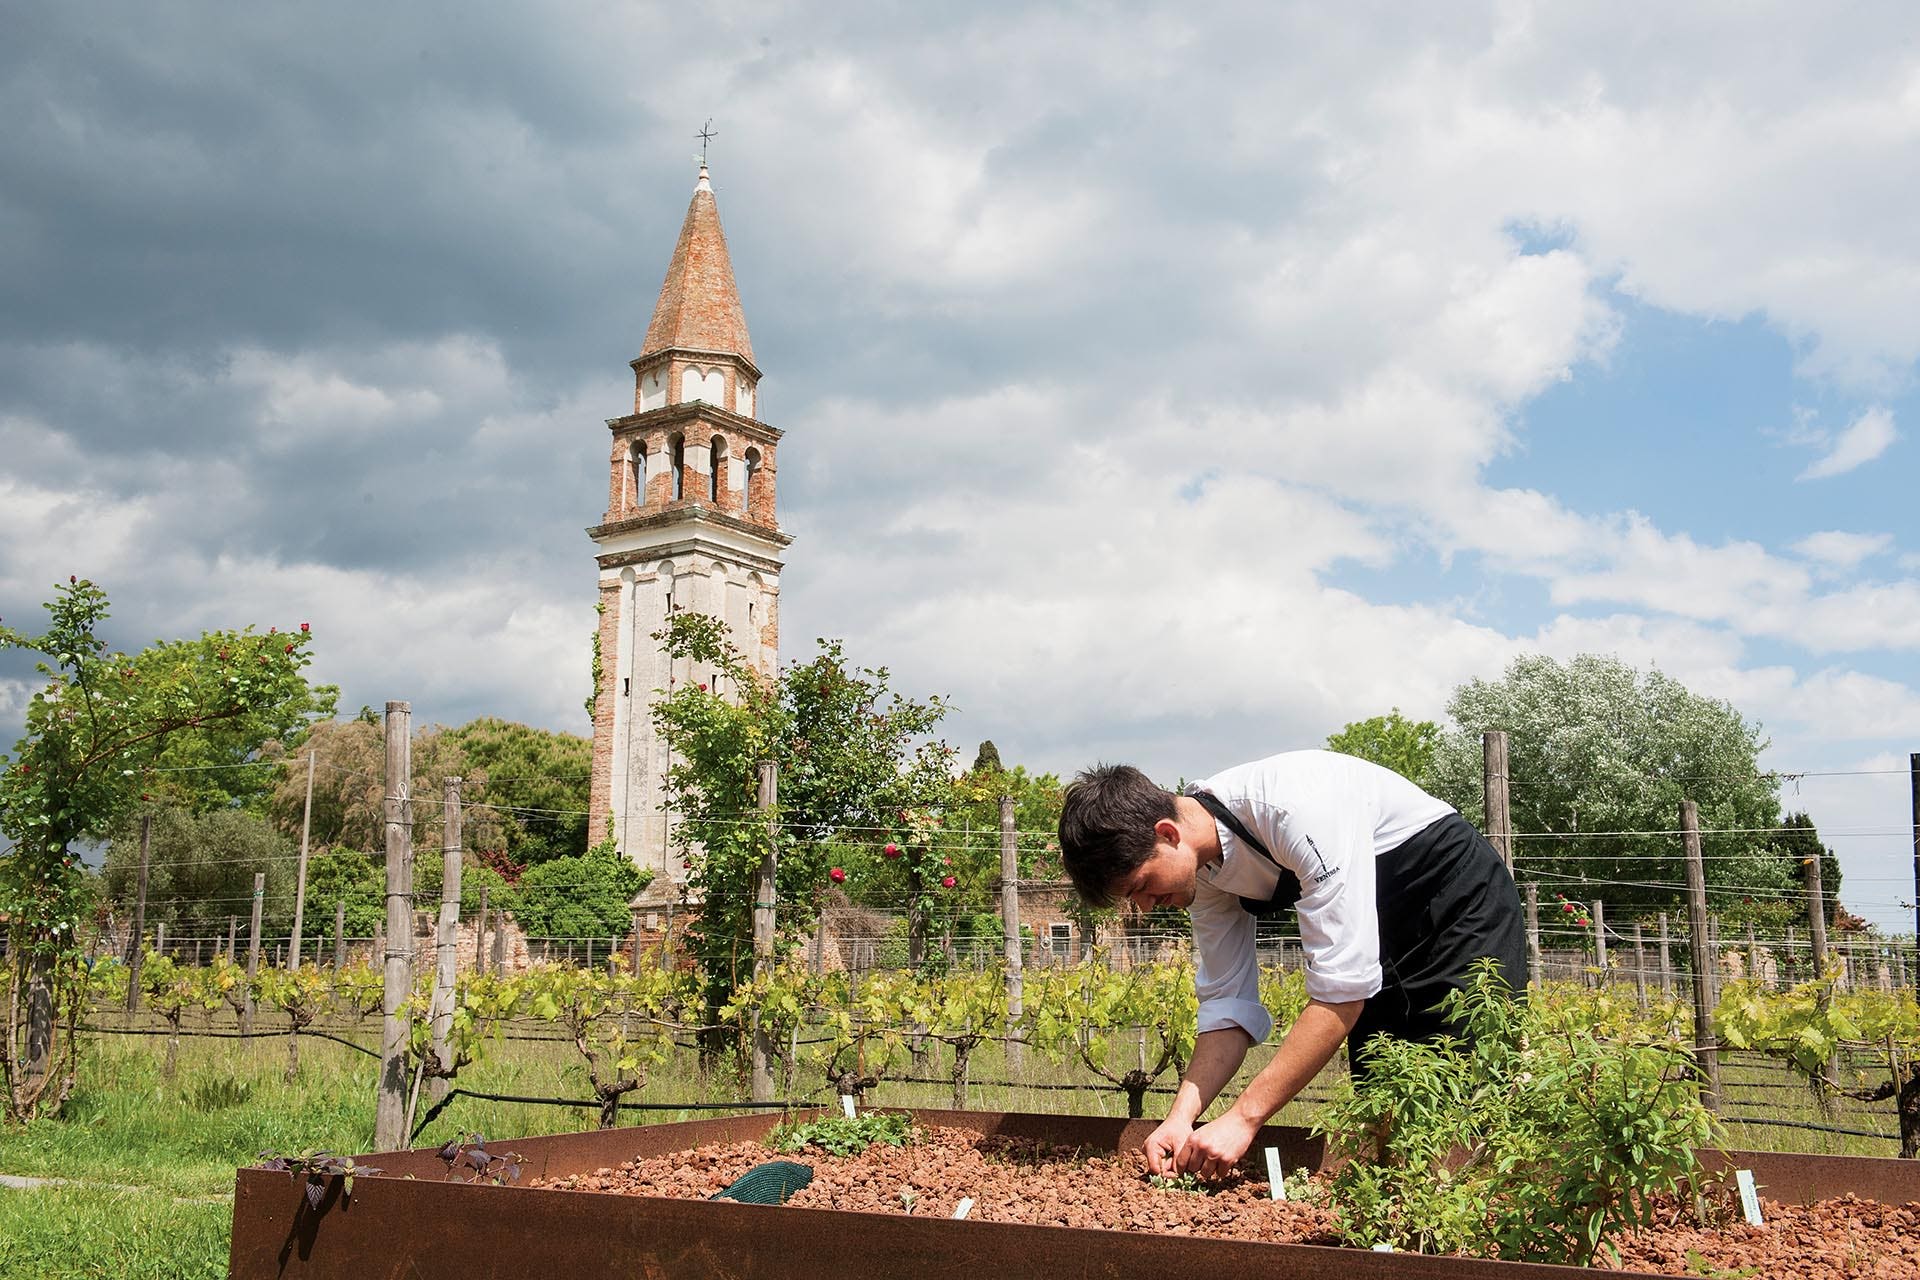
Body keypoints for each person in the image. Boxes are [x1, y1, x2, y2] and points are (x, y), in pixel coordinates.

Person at [1057, 750, 1527, 1180]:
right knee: (1386, 1098)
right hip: (1379, 931)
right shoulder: (1202, 872)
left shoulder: (1296, 811)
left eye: (1141, 886)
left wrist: (1243, 1119)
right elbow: (1227, 1003)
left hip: (1455, 908)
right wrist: (1181, 1118)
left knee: (1468, 1094)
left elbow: (1342, 991)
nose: (1143, 906)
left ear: (1167, 834)